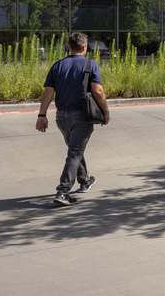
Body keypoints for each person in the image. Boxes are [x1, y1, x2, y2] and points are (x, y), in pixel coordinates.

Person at [36, 32, 111, 207]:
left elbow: (48, 92)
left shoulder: (58, 65)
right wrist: (106, 111)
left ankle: (85, 180)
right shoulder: (90, 64)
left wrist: (42, 115)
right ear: (85, 47)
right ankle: (62, 192)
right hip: (82, 116)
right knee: (75, 152)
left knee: (74, 150)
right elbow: (97, 91)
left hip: (62, 116)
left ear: (69, 47)